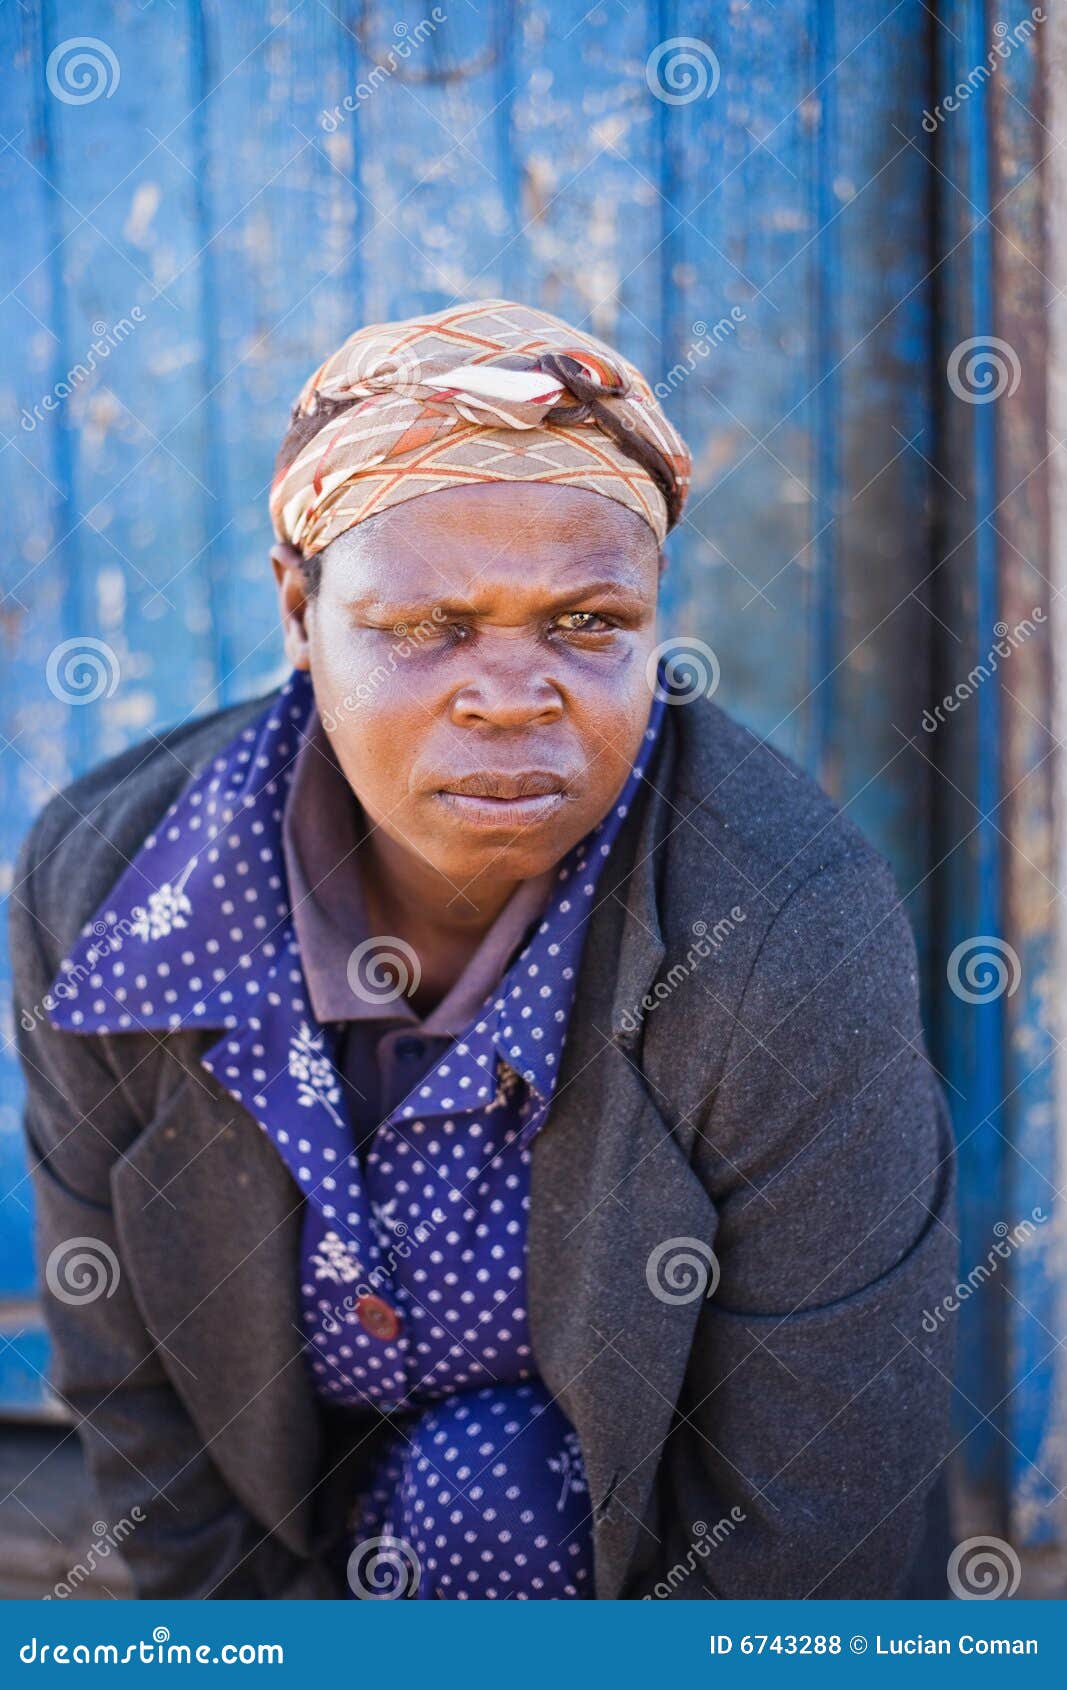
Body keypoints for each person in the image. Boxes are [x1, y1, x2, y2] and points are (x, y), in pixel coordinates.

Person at [10, 298, 958, 1600]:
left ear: (653, 616)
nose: (510, 692)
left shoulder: (779, 928)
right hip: (310, 1574)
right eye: (425, 625)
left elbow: (822, 1520)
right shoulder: (113, 892)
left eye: (587, 623)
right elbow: (141, 1407)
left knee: (491, 1483)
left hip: (650, 1598)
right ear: (299, 608)